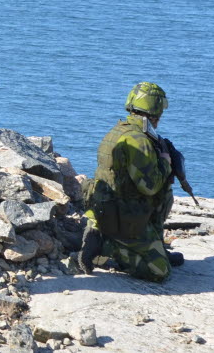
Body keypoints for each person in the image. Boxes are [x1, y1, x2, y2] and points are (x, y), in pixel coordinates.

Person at [78, 81, 183, 282]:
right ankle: (107, 246)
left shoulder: (119, 130)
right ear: (156, 109)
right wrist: (166, 163)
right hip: (125, 214)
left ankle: (154, 244)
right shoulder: (139, 139)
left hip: (107, 207)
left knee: (165, 194)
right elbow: (150, 187)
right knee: (160, 271)